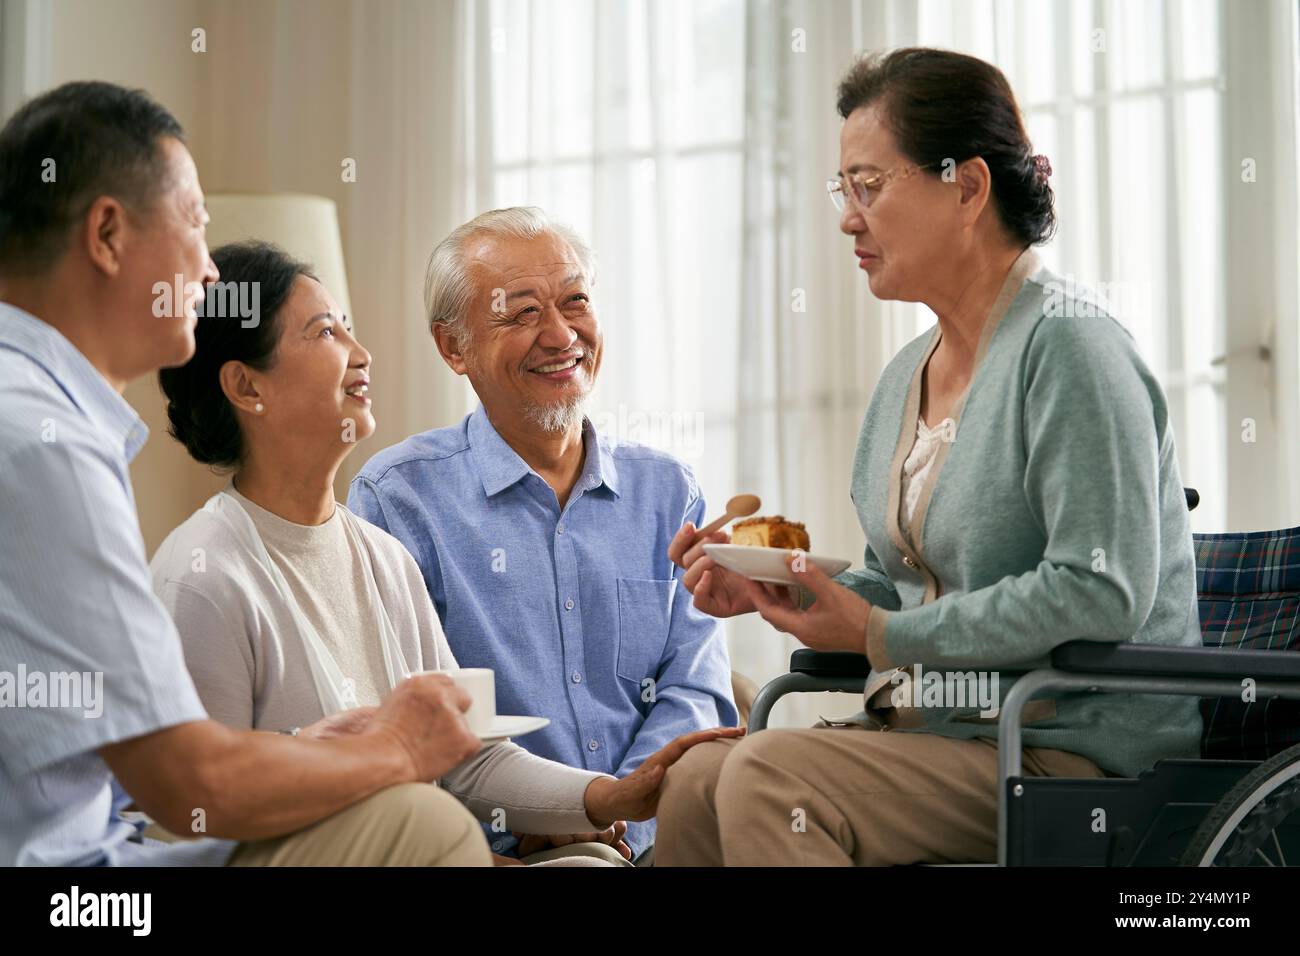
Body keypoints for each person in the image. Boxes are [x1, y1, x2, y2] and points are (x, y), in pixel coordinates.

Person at [657, 47, 1203, 866]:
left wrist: (881, 634)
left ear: (967, 187)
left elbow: (1101, 591)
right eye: (844, 190)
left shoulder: (1072, 346)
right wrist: (783, 588)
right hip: (942, 735)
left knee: (770, 776)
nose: (848, 218)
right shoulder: (905, 376)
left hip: (1071, 752)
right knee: (696, 778)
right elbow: (900, 588)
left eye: (869, 186)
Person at [151, 239, 741, 866]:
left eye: (348, 329)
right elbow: (196, 822)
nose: (361, 354)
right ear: (246, 385)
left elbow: (469, 755)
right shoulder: (204, 576)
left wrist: (611, 799)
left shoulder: (381, 557)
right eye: (325, 333)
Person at [349, 207, 739, 860]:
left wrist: (620, 815)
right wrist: (551, 814)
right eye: (522, 313)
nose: (560, 336)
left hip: (662, 831)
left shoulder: (668, 490)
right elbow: (400, 719)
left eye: (575, 301)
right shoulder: (398, 499)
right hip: (505, 848)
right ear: (453, 347)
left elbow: (695, 689)